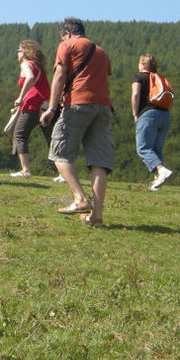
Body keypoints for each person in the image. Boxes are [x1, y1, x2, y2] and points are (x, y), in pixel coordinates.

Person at [39, 17, 114, 226]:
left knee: (59, 152)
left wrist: (52, 108)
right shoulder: (100, 51)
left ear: (67, 33)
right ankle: (97, 216)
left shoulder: (67, 45)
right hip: (103, 107)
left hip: (78, 104)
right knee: (99, 161)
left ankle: (80, 198)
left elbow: (60, 76)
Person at [131, 54, 174, 190]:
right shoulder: (158, 78)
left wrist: (135, 113)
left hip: (148, 114)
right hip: (165, 115)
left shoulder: (139, 77)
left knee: (143, 148)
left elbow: (136, 94)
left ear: (143, 65)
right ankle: (157, 181)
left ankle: (161, 170)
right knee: (156, 149)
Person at [11, 40, 52, 178]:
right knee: (50, 137)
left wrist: (20, 97)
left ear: (24, 53)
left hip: (32, 105)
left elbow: (30, 78)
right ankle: (64, 172)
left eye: (18, 50)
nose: (17, 53)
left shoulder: (26, 64)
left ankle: (26, 170)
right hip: (45, 105)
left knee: (19, 135)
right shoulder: (38, 67)